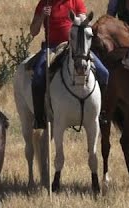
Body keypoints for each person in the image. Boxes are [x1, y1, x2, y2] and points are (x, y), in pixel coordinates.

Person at [28, 0, 109, 131]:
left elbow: (82, 18)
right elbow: (33, 31)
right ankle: (39, 118)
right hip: (52, 47)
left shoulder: (75, 1)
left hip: (76, 47)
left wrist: (83, 19)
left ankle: (100, 113)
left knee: (104, 73)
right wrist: (42, 15)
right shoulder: (45, 3)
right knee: (38, 77)